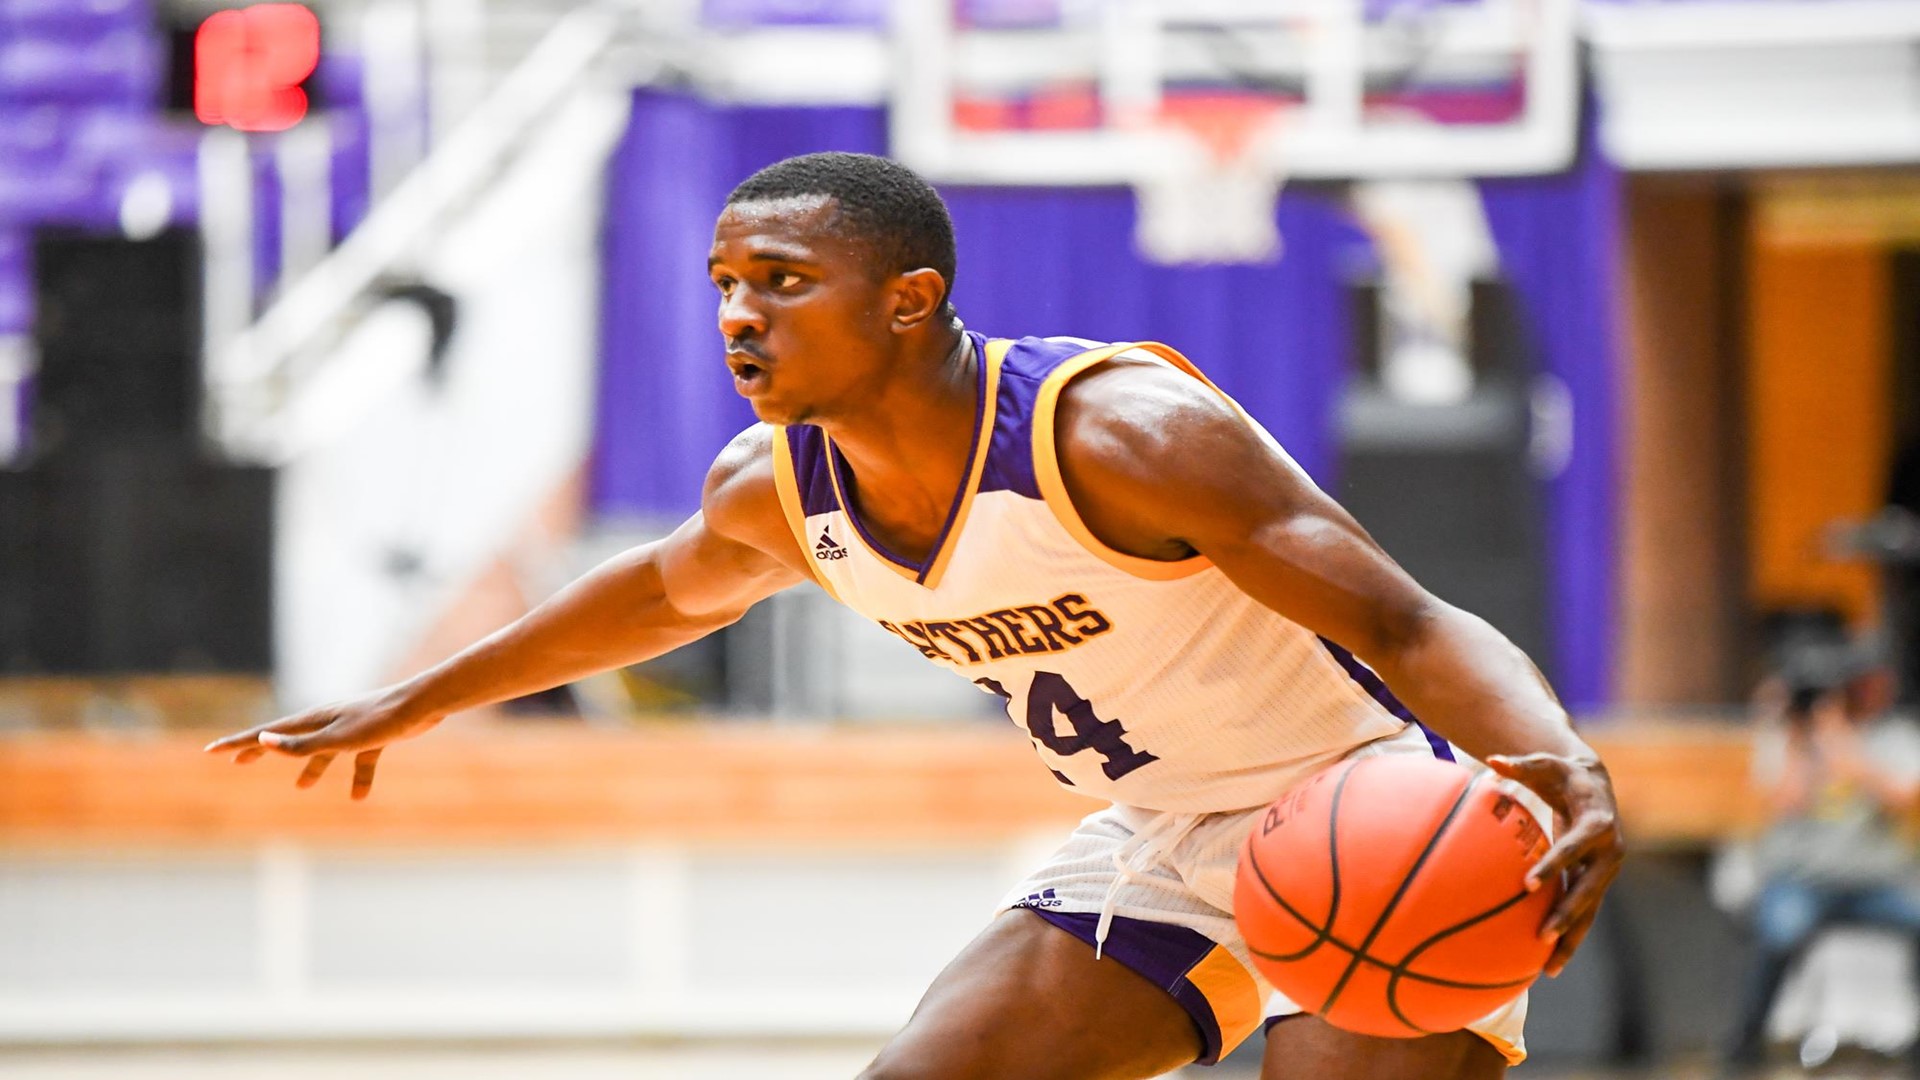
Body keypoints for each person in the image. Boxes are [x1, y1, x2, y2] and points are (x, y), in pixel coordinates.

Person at [206, 152, 1624, 1080]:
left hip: (1370, 814)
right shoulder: (775, 490)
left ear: (909, 301)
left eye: (781, 283)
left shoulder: (1120, 432)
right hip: (1163, 835)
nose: (739, 318)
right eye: (723, 287)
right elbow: (652, 594)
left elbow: (1405, 621)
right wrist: (423, 692)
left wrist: (1558, 760)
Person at [1722, 644, 1920, 1072]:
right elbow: (1785, 801)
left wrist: (1842, 741)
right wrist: (1797, 737)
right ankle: (1746, 1039)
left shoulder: (1892, 735)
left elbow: (1904, 795)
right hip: (1803, 882)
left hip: (1875, 882)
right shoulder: (1789, 739)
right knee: (1779, 932)